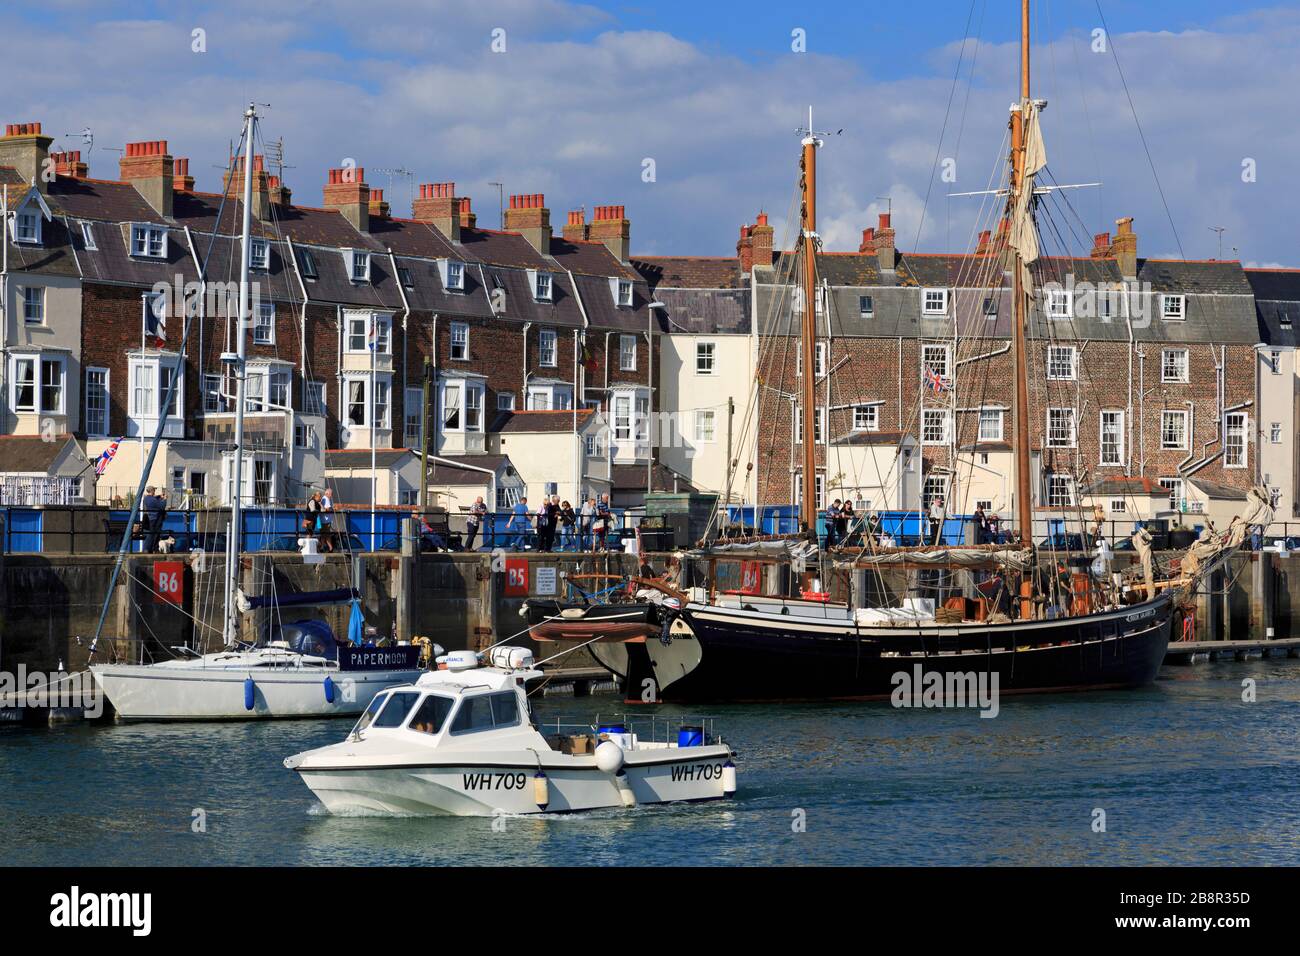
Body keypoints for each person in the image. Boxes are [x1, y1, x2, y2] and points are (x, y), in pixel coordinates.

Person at [142, 485, 166, 552]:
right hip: (157, 518)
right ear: (152, 491)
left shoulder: (146, 498)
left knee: (152, 534)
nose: (154, 491)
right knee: (156, 534)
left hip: (151, 518)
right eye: (154, 490)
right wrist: (164, 499)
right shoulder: (153, 499)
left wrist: (159, 496)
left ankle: (149, 549)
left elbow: (154, 499)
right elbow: (162, 506)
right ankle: (155, 549)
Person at [319, 488, 336, 552]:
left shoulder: (324, 498)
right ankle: (330, 548)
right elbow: (328, 509)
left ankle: (322, 547)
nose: (331, 495)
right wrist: (333, 509)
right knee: (327, 535)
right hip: (325, 520)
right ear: (327, 493)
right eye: (331, 494)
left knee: (324, 534)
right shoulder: (326, 499)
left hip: (324, 520)